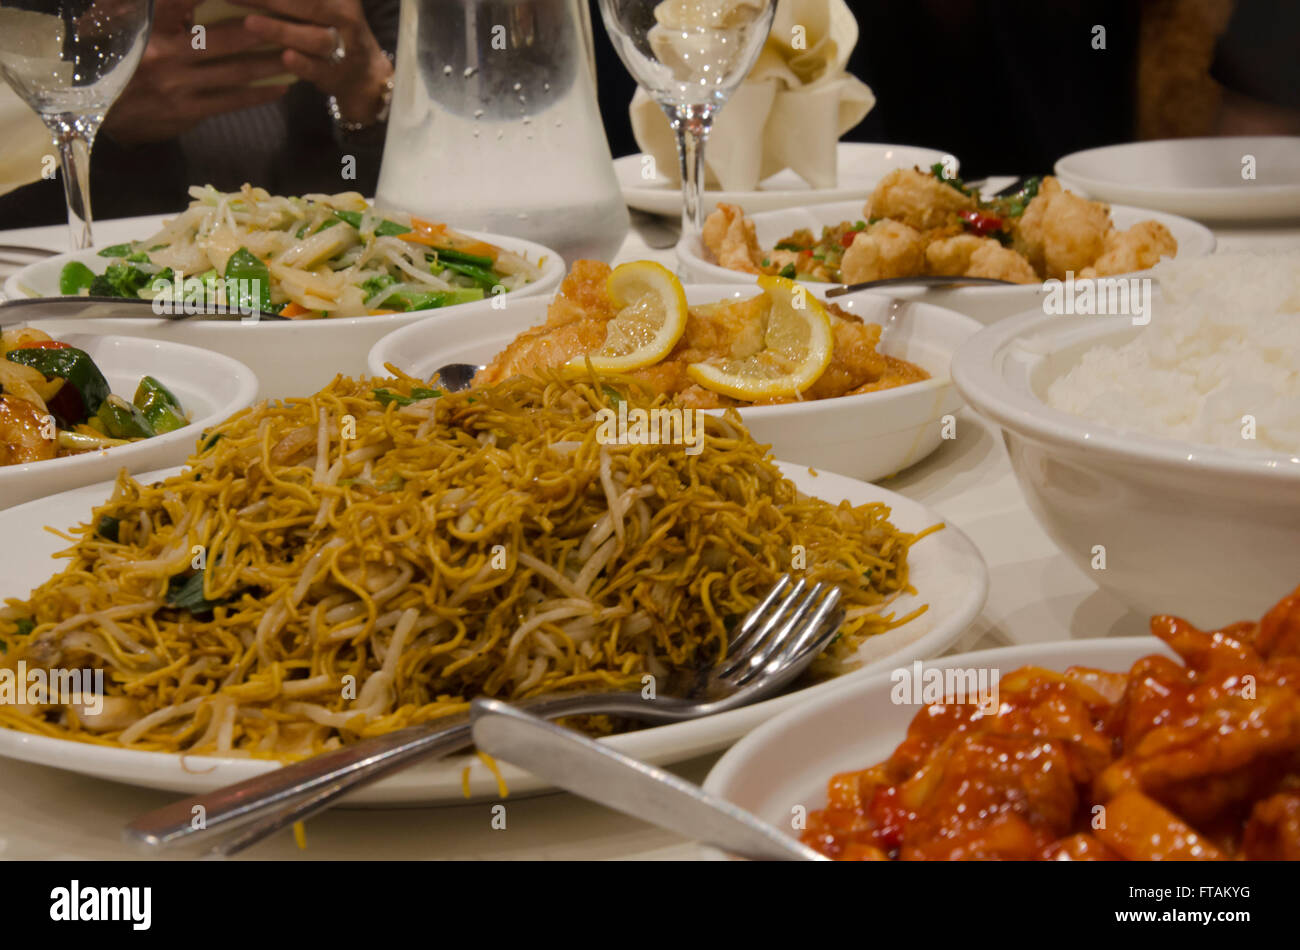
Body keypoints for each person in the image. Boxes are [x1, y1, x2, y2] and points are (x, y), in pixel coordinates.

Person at [0, 0, 398, 226]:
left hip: (339, 260)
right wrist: (88, 79)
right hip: (72, 251)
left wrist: (372, 94)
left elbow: (446, 110)